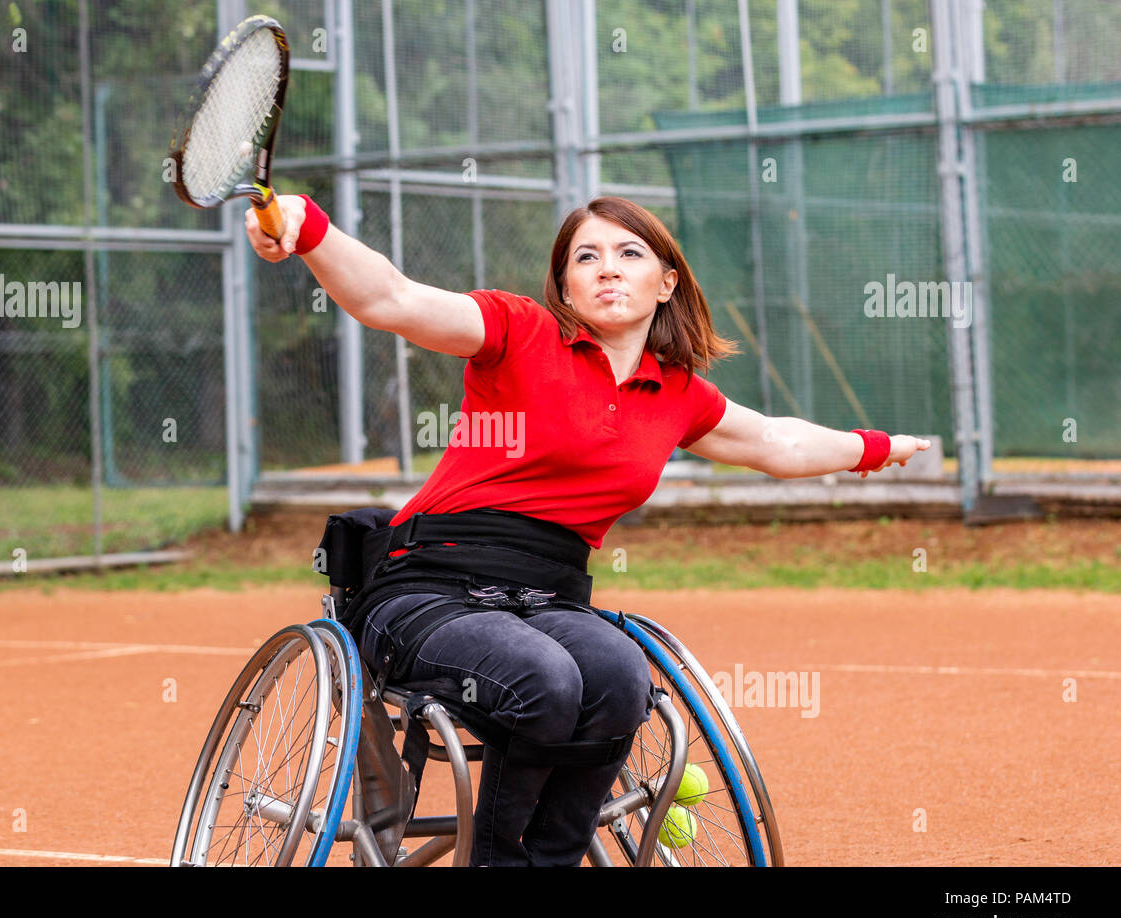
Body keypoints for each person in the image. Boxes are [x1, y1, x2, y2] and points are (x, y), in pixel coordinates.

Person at [248, 194, 930, 866]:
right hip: (427, 591)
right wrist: (307, 226)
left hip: (548, 601)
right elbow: (391, 300)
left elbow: (779, 443)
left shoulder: (677, 392)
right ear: (566, 285)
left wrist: (876, 447)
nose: (608, 268)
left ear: (666, 284)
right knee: (545, 679)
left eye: (629, 253)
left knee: (619, 678)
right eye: (587, 256)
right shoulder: (519, 331)